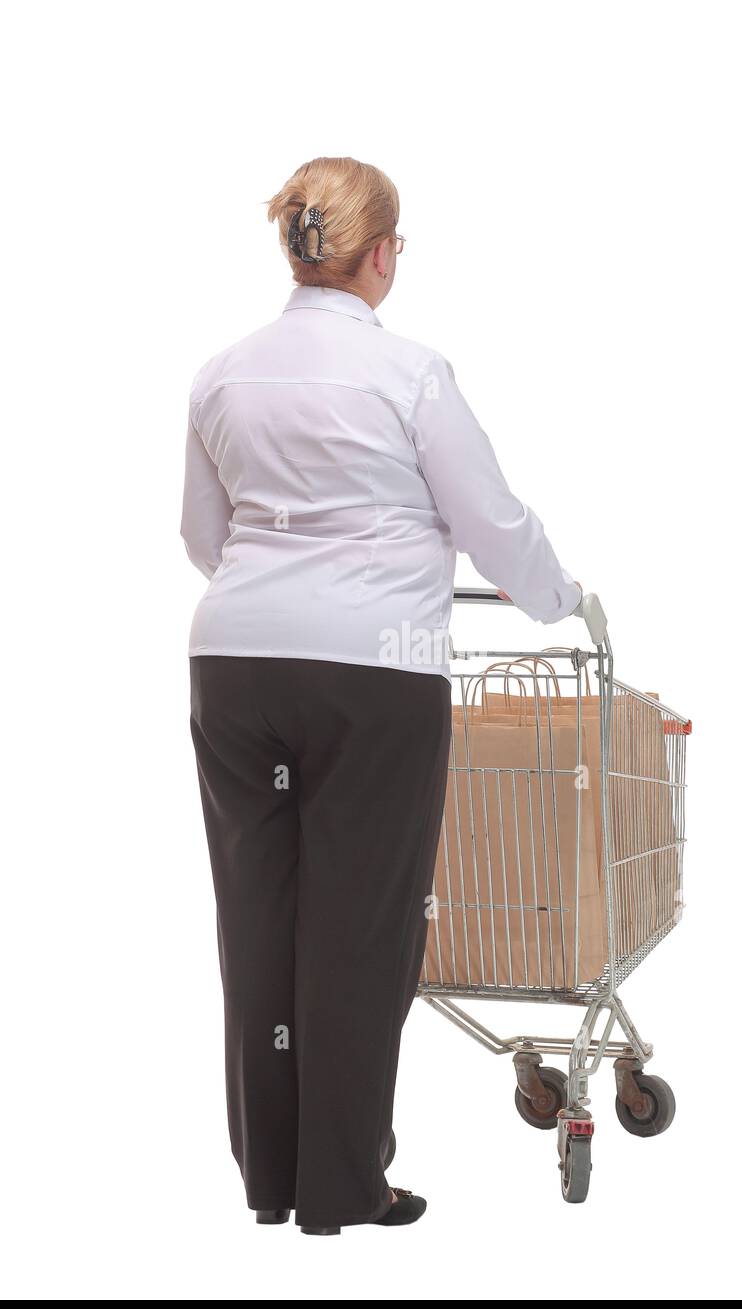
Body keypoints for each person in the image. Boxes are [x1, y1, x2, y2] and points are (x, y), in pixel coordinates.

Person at [181, 156, 582, 1234]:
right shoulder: (410, 375)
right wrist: (559, 599)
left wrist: (278, 588)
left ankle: (271, 1182)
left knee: (258, 921)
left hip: (233, 668)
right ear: (379, 253)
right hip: (372, 668)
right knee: (359, 930)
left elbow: (202, 538)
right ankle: (342, 1188)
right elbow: (491, 524)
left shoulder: (223, 373)